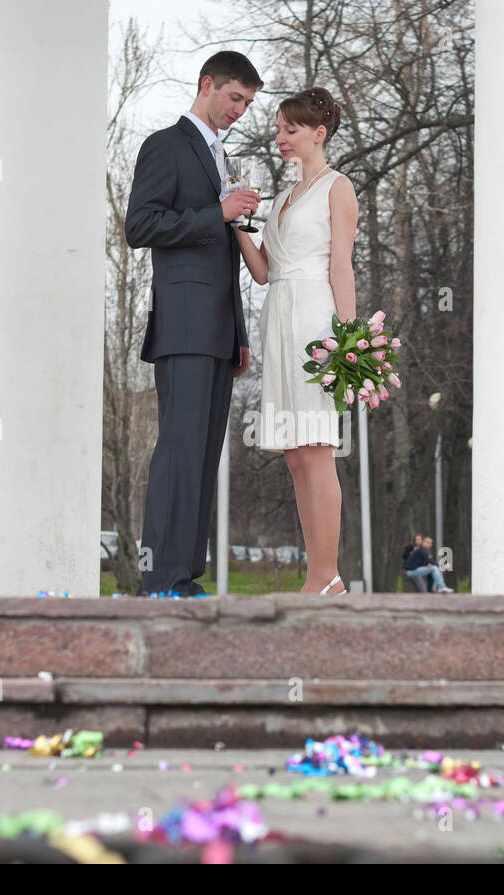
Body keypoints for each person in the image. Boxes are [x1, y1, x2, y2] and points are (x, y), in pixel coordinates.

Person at [125, 51, 265, 597]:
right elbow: (140, 225)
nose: (240, 110)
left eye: (249, 103)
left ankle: (183, 577)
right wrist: (220, 213)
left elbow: (224, 251)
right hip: (182, 324)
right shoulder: (165, 145)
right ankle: (158, 579)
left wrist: (239, 334)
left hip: (217, 329)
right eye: (235, 98)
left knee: (204, 455)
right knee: (179, 451)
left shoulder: (220, 156)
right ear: (207, 85)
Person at [235, 87, 356, 595]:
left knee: (318, 446)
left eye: (291, 130)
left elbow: (341, 266)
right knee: (293, 452)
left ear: (318, 134)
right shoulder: (281, 198)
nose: (280, 138)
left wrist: (350, 345)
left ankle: (328, 576)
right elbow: (263, 272)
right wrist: (241, 222)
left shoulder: (338, 187)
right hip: (278, 316)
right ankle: (318, 574)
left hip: (315, 320)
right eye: (280, 129)